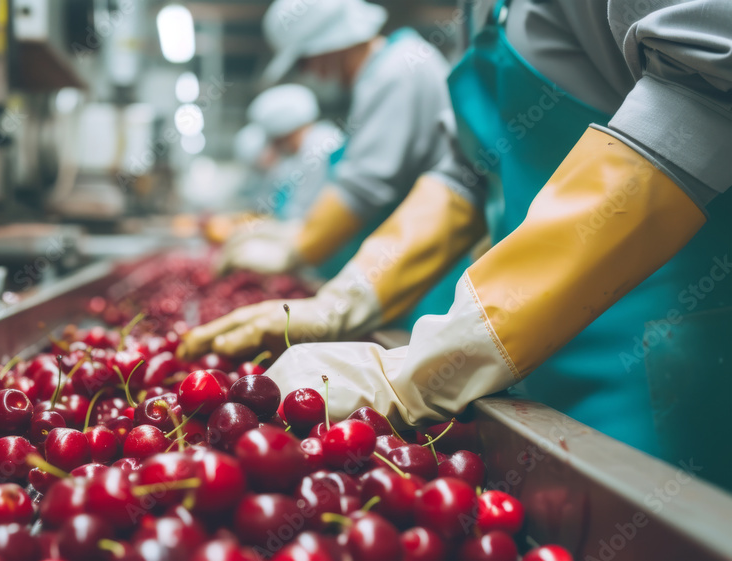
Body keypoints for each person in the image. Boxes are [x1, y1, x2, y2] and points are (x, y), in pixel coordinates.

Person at [185, 0, 732, 486]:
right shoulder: (482, 15)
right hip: (527, 370)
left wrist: (425, 368)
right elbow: (465, 174)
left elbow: (700, 89)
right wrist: (347, 297)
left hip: (652, 360)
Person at [217, 0, 468, 279]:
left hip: (433, 262)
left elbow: (363, 185)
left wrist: (296, 249)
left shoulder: (394, 73)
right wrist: (293, 232)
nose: (310, 73)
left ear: (328, 43)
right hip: (414, 253)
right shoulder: (383, 72)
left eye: (304, 61)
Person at [243, 83, 343, 223]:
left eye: (277, 142)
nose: (278, 149)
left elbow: (303, 211)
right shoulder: (314, 143)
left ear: (286, 135)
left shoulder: (318, 147)